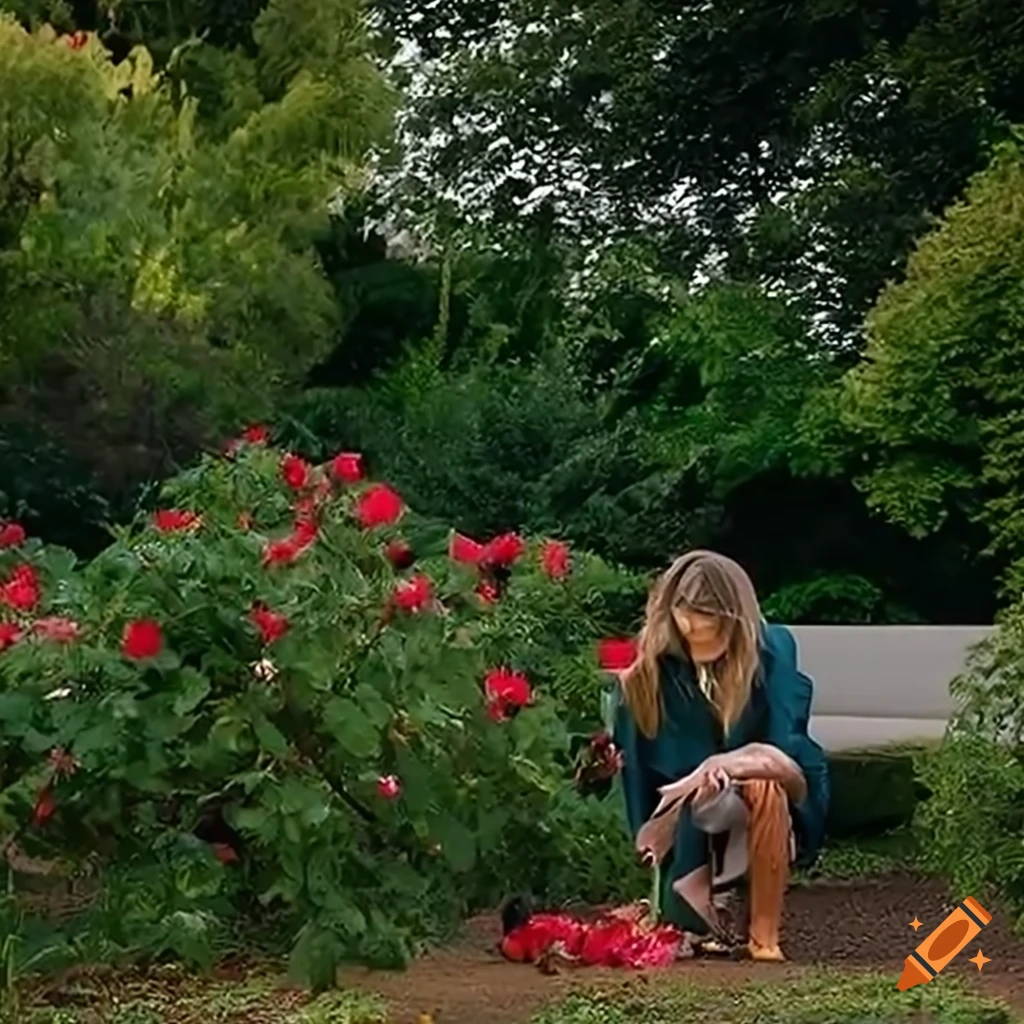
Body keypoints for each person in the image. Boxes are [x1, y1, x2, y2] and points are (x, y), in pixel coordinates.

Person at [610, 550, 829, 962]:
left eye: (708, 618)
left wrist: (719, 765)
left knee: (763, 785)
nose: (694, 628)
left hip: (771, 795)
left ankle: (763, 935)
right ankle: (701, 901)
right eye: (686, 616)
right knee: (679, 923)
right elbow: (638, 764)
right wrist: (649, 829)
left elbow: (783, 756)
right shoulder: (650, 674)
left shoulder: (772, 650)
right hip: (685, 814)